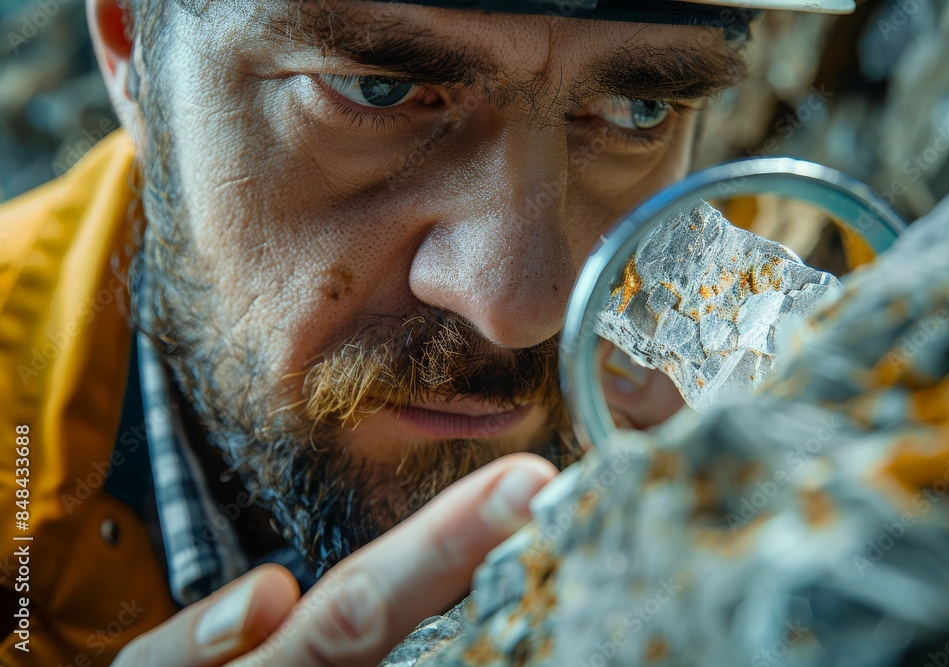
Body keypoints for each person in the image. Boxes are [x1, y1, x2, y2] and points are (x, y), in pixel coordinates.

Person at [0, 1, 853, 665]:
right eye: (382, 90)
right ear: (132, 54)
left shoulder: (827, 371)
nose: (518, 309)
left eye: (639, 107)